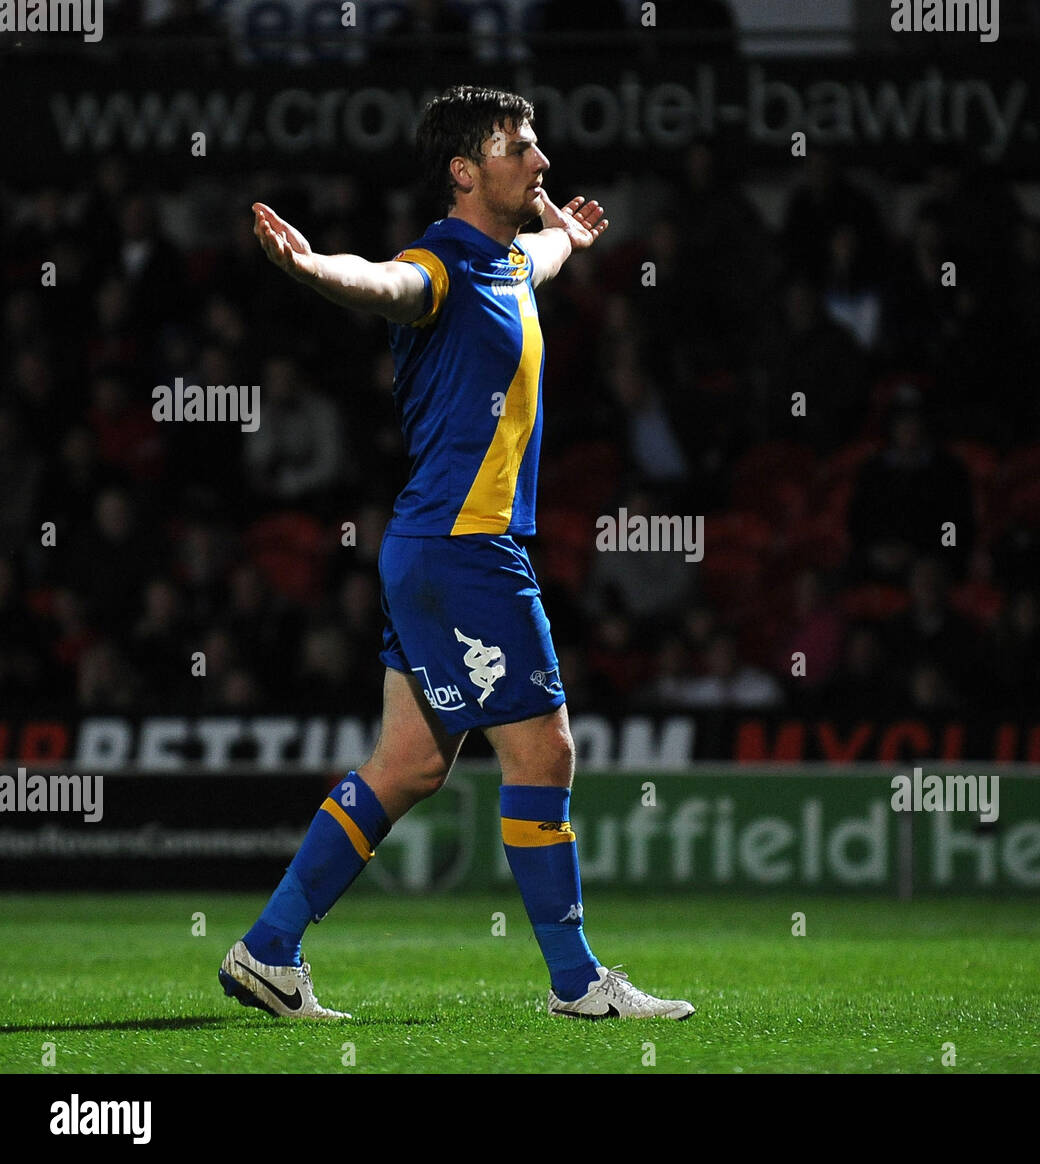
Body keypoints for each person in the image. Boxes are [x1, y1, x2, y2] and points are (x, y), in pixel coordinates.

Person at [219, 86, 694, 1022]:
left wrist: (571, 239)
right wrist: (316, 269)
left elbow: (544, 258)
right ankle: (576, 983)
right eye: (519, 146)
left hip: (432, 550)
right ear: (465, 172)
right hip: (464, 550)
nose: (542, 159)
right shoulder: (439, 263)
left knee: (407, 768)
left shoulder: (512, 261)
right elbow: (383, 282)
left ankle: (268, 952)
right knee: (545, 751)